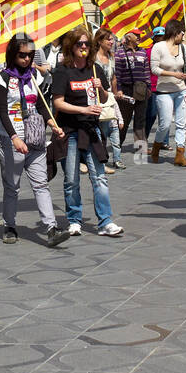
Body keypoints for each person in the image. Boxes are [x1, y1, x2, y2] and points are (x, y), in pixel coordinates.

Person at [0, 34, 68, 248]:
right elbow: (1, 110)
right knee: (12, 186)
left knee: (41, 183)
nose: (27, 59)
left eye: (30, 55)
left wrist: (52, 123)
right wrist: (14, 137)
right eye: (22, 55)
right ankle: (9, 225)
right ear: (12, 54)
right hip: (11, 138)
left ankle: (51, 228)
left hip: (35, 137)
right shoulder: (3, 78)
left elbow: (41, 104)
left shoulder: (35, 75)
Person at [52, 26, 124, 238]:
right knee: (72, 178)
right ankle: (74, 220)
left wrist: (101, 88)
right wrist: (83, 109)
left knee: (99, 177)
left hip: (91, 130)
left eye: (86, 43)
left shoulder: (94, 68)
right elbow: (58, 102)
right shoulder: (62, 70)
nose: (83, 47)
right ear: (71, 46)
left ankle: (105, 221)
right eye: (79, 43)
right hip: (70, 130)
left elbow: (103, 99)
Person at [149, 20, 186, 166]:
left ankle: (180, 154)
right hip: (164, 91)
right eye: (182, 33)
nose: (183, 36)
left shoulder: (184, 48)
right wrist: (173, 75)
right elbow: (154, 69)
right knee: (165, 123)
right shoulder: (158, 47)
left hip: (181, 90)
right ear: (175, 33)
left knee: (181, 124)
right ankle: (156, 147)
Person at [113, 30, 151, 155]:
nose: (140, 37)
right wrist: (119, 89)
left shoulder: (142, 51)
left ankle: (140, 147)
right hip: (126, 89)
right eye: (137, 35)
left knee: (140, 119)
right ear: (129, 37)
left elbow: (146, 71)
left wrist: (148, 87)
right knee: (124, 119)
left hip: (141, 89)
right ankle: (117, 145)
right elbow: (117, 74)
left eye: (140, 35)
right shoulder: (119, 53)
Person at [94, 29, 123, 171]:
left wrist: (116, 92)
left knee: (111, 126)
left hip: (108, 97)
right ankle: (100, 160)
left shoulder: (112, 57)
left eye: (112, 39)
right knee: (101, 130)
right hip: (95, 97)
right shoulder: (93, 58)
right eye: (109, 40)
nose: (112, 42)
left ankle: (112, 159)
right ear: (100, 41)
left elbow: (113, 78)